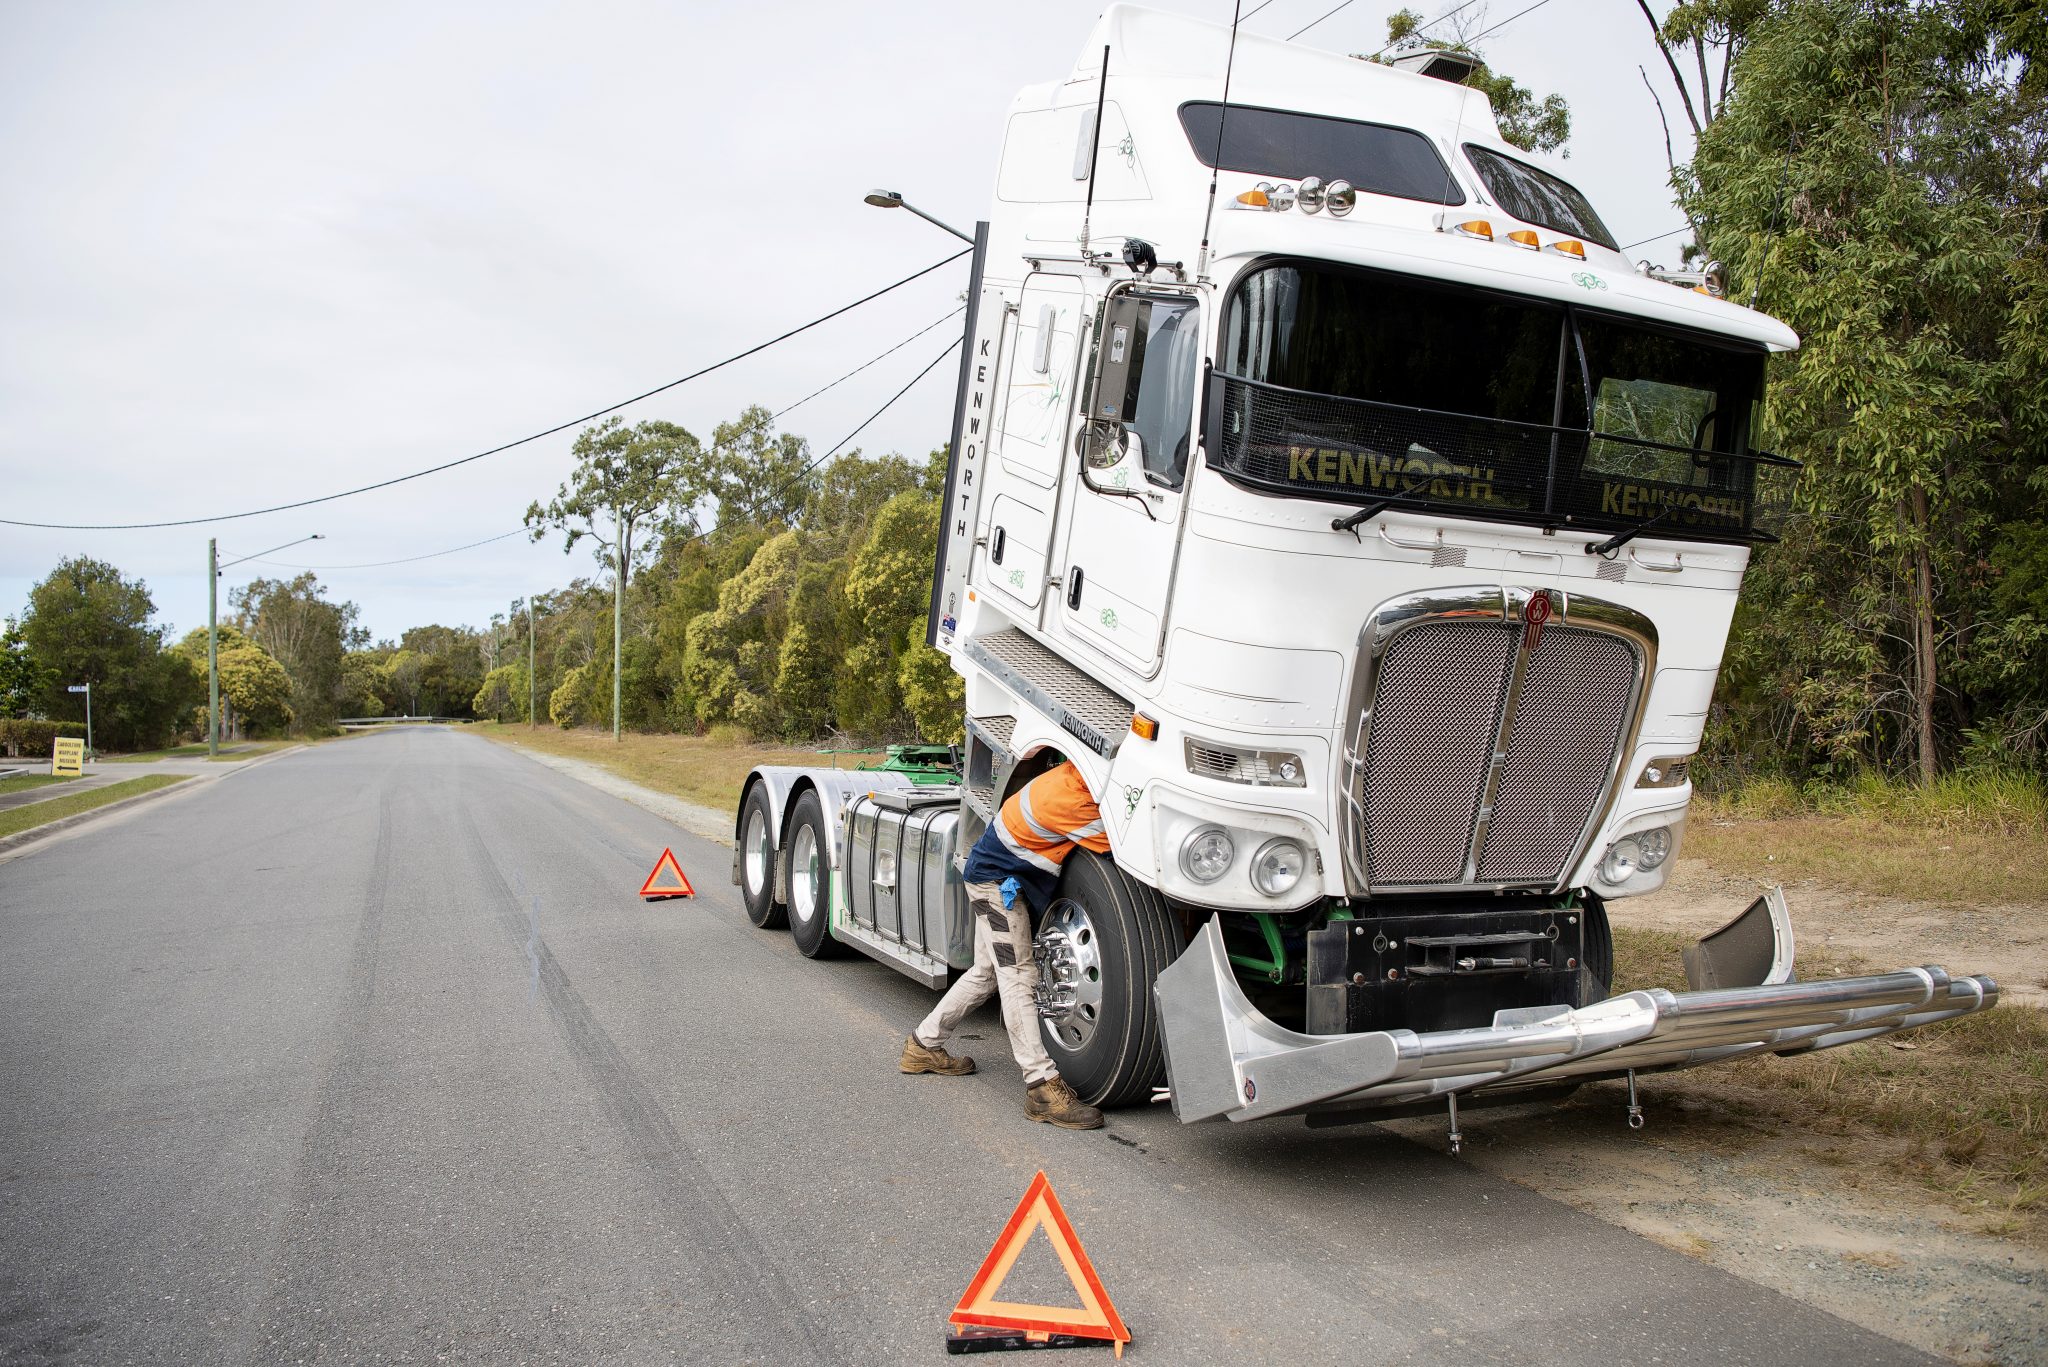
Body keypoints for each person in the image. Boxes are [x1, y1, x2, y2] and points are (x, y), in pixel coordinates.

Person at [899, 759, 1109, 1130]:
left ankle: (923, 1045)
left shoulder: (1069, 775)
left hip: (990, 874)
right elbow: (1118, 847)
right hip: (995, 886)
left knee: (985, 973)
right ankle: (1041, 1086)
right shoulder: (1077, 803)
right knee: (1017, 976)